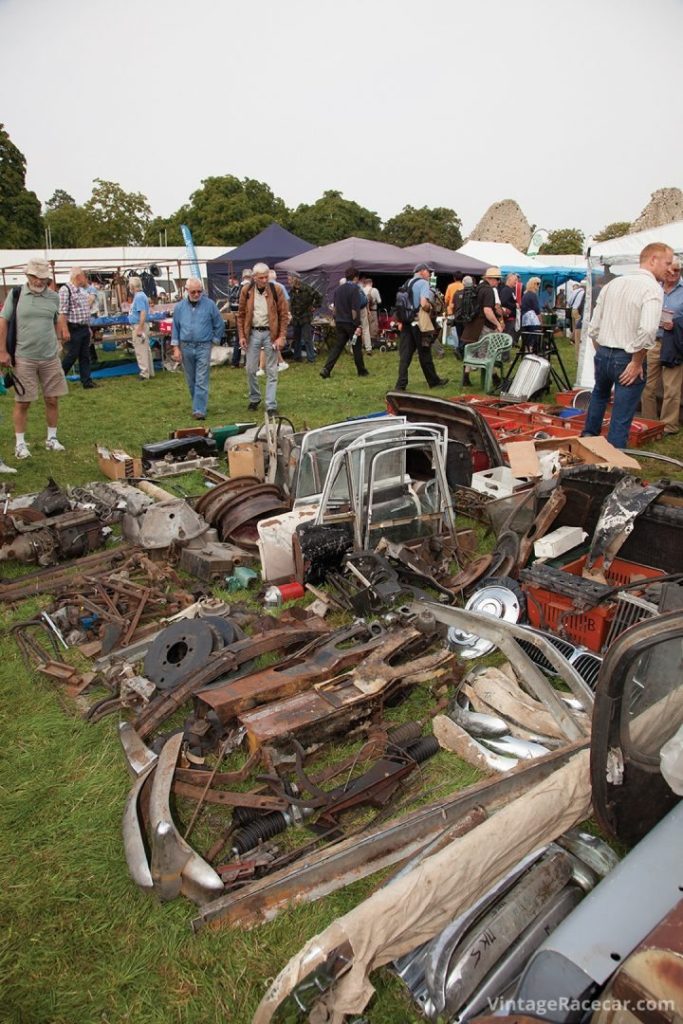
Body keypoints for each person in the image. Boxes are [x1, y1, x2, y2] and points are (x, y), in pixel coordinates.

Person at [582, 242, 673, 449]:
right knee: (622, 412)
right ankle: (614, 457)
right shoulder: (652, 288)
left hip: (605, 352)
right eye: (667, 263)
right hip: (626, 356)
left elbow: (593, 326)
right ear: (653, 260)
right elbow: (649, 330)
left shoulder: (613, 284)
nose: (669, 269)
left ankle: (587, 441)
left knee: (599, 396)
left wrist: (602, 354)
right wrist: (636, 362)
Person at [0, 258, 69, 459]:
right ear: (28, 276)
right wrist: (2, 352)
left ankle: (52, 438)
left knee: (53, 399)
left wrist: (60, 338)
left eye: (43, 278)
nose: (39, 282)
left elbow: (57, 319)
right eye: (35, 277)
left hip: (50, 357)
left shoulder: (54, 297)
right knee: (23, 402)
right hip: (24, 357)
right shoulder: (16, 295)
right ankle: (20, 444)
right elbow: (3, 323)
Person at [237, 262, 289, 413]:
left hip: (270, 334)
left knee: (272, 370)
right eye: (261, 278)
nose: (265, 280)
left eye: (266, 277)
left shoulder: (276, 289)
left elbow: (284, 315)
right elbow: (240, 315)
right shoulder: (246, 290)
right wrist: (241, 335)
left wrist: (281, 336)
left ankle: (271, 404)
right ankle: (255, 397)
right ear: (254, 277)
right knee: (250, 369)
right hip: (252, 333)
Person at [171, 278, 224, 420]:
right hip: (186, 346)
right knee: (191, 380)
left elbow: (219, 324)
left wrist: (214, 340)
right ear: (186, 291)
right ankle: (197, 403)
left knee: (201, 378)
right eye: (193, 291)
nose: (196, 294)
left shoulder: (210, 305)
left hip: (203, 346)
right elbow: (175, 327)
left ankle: (199, 410)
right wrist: (176, 348)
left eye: (199, 291)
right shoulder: (179, 307)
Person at [641, 256, 683, 433]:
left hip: (673, 343)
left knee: (671, 388)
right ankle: (649, 423)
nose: (673, 273)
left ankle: (669, 425)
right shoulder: (653, 289)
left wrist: (676, 323)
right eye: (670, 270)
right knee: (648, 386)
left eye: (677, 270)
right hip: (653, 342)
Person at [393, 263, 448, 392]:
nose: (429, 275)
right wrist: (430, 307)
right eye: (428, 272)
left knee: (405, 356)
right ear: (422, 271)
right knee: (425, 352)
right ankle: (434, 382)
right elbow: (423, 303)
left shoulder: (407, 283)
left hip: (407, 322)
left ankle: (400, 385)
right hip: (419, 323)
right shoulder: (423, 283)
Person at [320, 267, 369, 379]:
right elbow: (354, 310)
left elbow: (335, 308)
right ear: (356, 277)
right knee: (356, 347)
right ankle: (361, 370)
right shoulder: (355, 289)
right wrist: (358, 325)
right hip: (350, 322)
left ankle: (326, 369)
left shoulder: (338, 290)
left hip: (340, 322)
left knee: (338, 347)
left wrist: (336, 319)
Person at [58, 267, 97, 389]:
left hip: (83, 327)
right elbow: (62, 312)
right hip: (73, 328)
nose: (85, 279)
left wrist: (88, 328)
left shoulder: (81, 291)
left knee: (84, 355)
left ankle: (87, 381)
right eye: (84, 276)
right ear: (78, 277)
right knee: (72, 355)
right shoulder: (65, 290)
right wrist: (64, 329)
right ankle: (57, 379)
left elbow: (85, 311)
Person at [288, 273, 321, 363]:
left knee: (307, 338)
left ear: (295, 279)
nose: (288, 281)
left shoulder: (307, 288)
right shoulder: (292, 291)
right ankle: (297, 357)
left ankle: (311, 358)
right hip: (296, 317)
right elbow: (291, 303)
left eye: (290, 279)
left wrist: (314, 306)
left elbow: (319, 296)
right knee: (296, 338)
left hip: (305, 316)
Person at [127, 276, 154, 380]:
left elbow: (142, 313)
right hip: (142, 325)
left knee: (140, 349)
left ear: (133, 286)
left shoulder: (138, 297)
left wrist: (139, 328)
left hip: (139, 325)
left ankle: (144, 372)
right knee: (146, 349)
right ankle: (149, 372)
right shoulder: (142, 296)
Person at [231, 269, 252, 368]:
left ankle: (235, 361)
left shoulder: (236, 288)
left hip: (238, 316)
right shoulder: (251, 288)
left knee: (239, 339)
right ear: (251, 277)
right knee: (249, 339)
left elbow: (232, 303)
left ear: (243, 277)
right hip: (248, 317)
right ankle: (247, 362)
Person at [499, 273, 519, 340]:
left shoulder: (511, 290)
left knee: (510, 338)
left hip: (511, 319)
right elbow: (503, 302)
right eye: (515, 280)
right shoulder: (506, 290)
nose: (516, 282)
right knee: (507, 339)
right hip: (508, 320)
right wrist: (515, 305)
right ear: (509, 280)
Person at [363, 277, 382, 343]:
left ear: (365, 283)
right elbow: (379, 301)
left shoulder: (362, 290)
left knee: (365, 326)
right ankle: (373, 341)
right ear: (371, 283)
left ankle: (365, 342)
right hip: (373, 311)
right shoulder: (375, 290)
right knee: (373, 326)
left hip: (364, 311)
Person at [569, 280, 586, 345]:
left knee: (574, 326)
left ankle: (572, 340)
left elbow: (569, 302)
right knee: (578, 327)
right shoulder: (584, 292)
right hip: (579, 310)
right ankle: (575, 340)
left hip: (573, 309)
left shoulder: (575, 291)